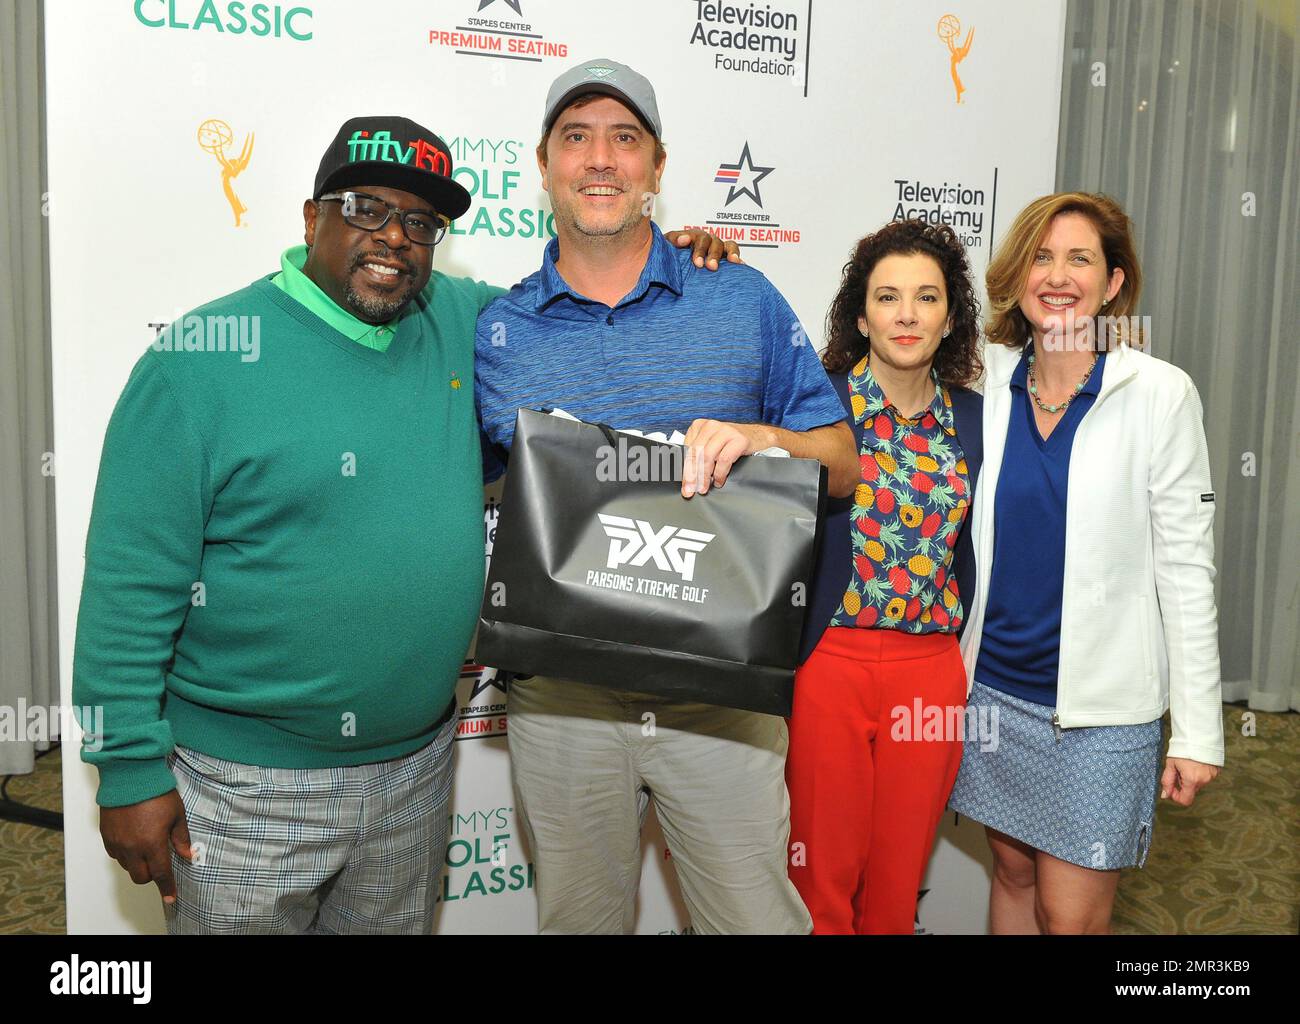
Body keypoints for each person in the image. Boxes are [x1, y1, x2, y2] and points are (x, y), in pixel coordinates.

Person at [72, 114, 735, 935]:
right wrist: (129, 768)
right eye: (366, 208)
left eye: (420, 222)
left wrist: (665, 252)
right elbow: (128, 585)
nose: (394, 238)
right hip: (241, 787)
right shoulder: (200, 362)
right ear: (312, 216)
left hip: (415, 775)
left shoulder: (464, 325)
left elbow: (589, 311)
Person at [475, 57, 858, 934]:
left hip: (718, 692)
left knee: (756, 922)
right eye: (576, 138)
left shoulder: (739, 296)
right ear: (543, 166)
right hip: (563, 696)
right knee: (580, 923)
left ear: (656, 164)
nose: (600, 159)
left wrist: (766, 439)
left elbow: (843, 463)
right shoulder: (494, 329)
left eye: (624, 138)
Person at [947, 192, 1224, 934]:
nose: (1057, 274)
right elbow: (875, 335)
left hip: (1101, 715)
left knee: (1069, 919)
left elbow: (1186, 570)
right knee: (1008, 876)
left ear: (1112, 283)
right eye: (1041, 255)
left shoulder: (1160, 395)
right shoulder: (985, 378)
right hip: (993, 692)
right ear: (1017, 273)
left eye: (1079, 258)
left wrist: (1199, 732)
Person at [785, 220, 984, 933]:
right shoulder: (816, 406)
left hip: (930, 672)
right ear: (860, 315)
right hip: (827, 664)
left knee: (898, 889)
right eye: (888, 297)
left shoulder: (977, 421)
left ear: (950, 316)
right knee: (818, 885)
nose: (906, 314)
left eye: (926, 298)